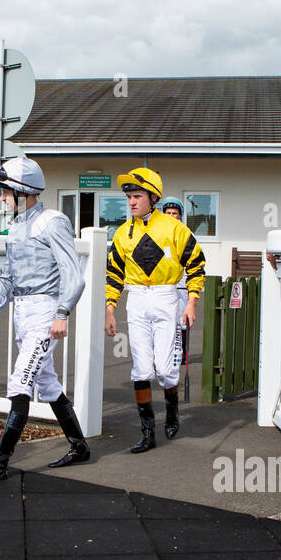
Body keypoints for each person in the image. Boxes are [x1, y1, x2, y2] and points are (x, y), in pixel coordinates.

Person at [0, 156, 90, 480]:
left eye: (4, 191)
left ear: (21, 191)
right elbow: (8, 276)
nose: (1, 197)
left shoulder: (52, 221)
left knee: (19, 380)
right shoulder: (15, 228)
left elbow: (74, 275)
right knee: (47, 382)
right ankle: (79, 446)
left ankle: (0, 462)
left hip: (44, 310)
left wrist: (62, 313)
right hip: (21, 311)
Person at [105, 168, 206, 452]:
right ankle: (147, 433)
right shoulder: (123, 233)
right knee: (141, 370)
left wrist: (191, 301)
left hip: (166, 297)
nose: (132, 202)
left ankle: (172, 411)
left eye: (137, 196)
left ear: (153, 197)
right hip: (136, 299)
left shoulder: (175, 228)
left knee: (165, 370)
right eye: (128, 197)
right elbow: (114, 273)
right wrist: (110, 308)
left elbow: (196, 265)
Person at [160, 198, 191, 376]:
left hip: (181, 286)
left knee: (182, 322)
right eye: (168, 213)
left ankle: (182, 353)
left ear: (179, 216)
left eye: (175, 214)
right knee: (165, 321)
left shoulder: (186, 234)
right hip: (164, 286)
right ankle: (164, 353)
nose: (171, 216)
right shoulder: (159, 234)